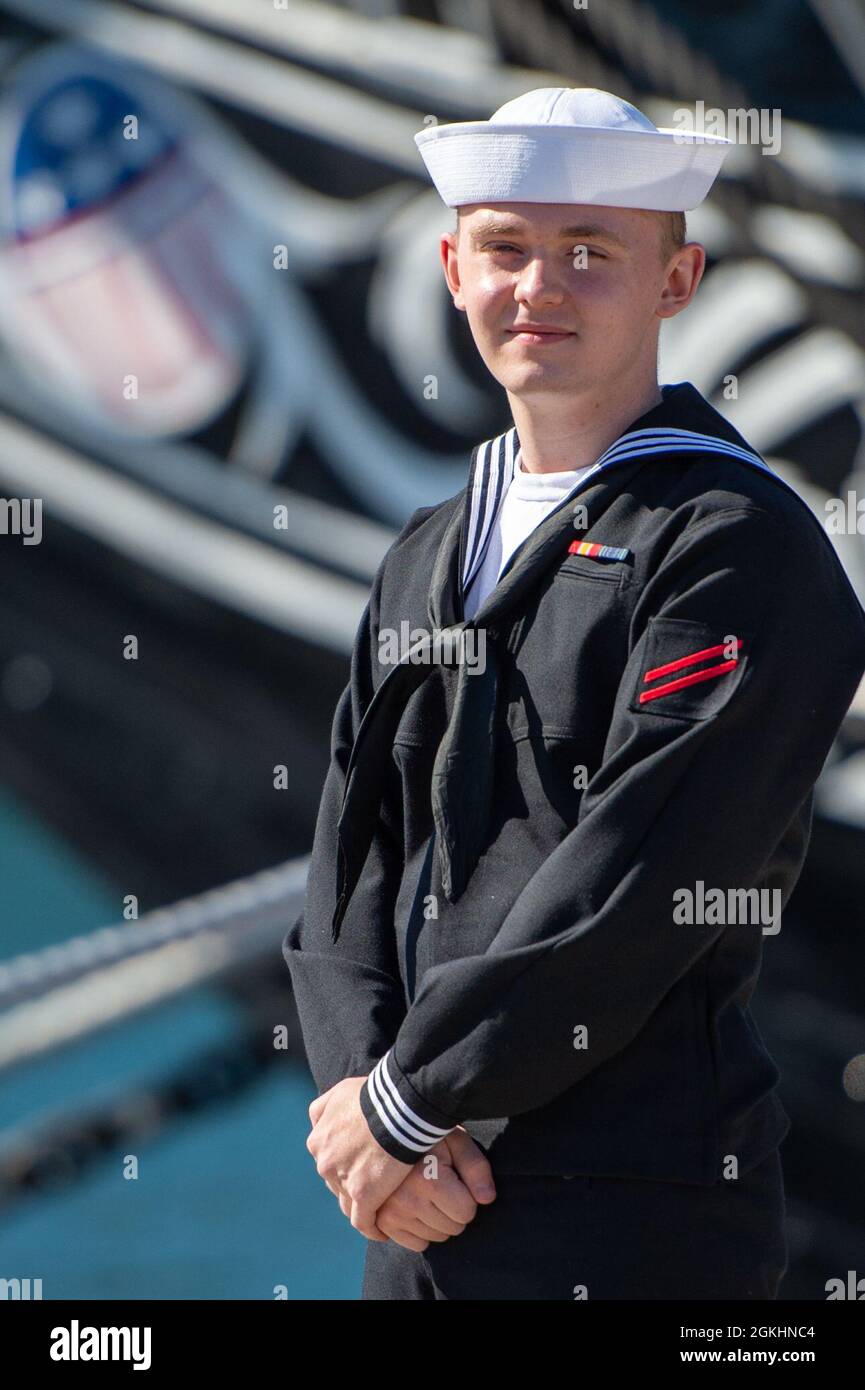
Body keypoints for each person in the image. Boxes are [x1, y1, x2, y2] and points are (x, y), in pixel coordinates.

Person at [282, 87, 865, 1300]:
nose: (538, 287)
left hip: (633, 1214)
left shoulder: (734, 544)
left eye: (589, 252)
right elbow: (349, 864)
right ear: (450, 268)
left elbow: (646, 872)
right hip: (417, 1215)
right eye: (505, 248)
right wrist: (363, 1113)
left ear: (677, 279)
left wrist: (405, 1102)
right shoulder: (427, 553)